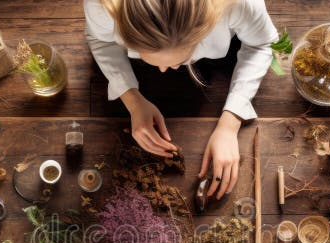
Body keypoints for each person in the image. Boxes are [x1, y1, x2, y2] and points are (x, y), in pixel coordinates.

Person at [85, 0, 277, 199]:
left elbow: (262, 44)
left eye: (180, 61)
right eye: (146, 57)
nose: (163, 70)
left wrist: (230, 124)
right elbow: (100, 40)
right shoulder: (100, 7)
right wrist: (132, 99)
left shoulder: (242, 4)